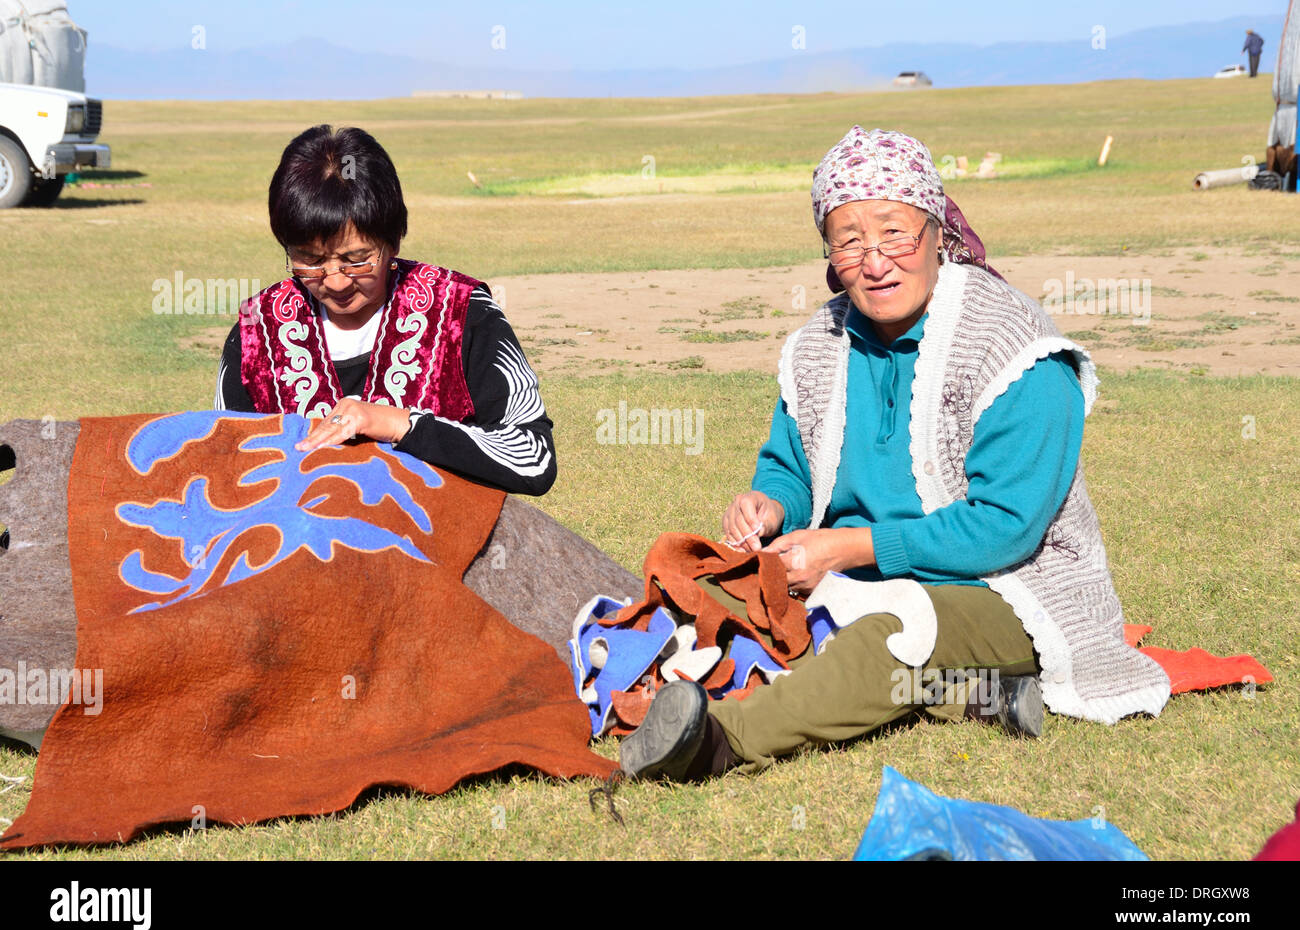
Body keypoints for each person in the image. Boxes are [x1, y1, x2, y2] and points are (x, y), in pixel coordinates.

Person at [618, 127, 1170, 781]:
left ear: (937, 231)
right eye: (849, 240)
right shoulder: (819, 344)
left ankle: (715, 743)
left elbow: (1004, 530)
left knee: (895, 633)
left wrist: (851, 549)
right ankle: (970, 693)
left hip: (1008, 587)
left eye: (894, 234)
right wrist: (769, 506)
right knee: (701, 584)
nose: (874, 261)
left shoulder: (1014, 350)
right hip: (851, 576)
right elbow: (792, 469)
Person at [216, 125, 556, 496]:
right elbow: (225, 464)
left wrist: (398, 424)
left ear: (392, 241)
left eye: (357, 259)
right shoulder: (257, 331)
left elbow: (534, 460)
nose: (336, 281)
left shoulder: (463, 311)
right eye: (309, 260)